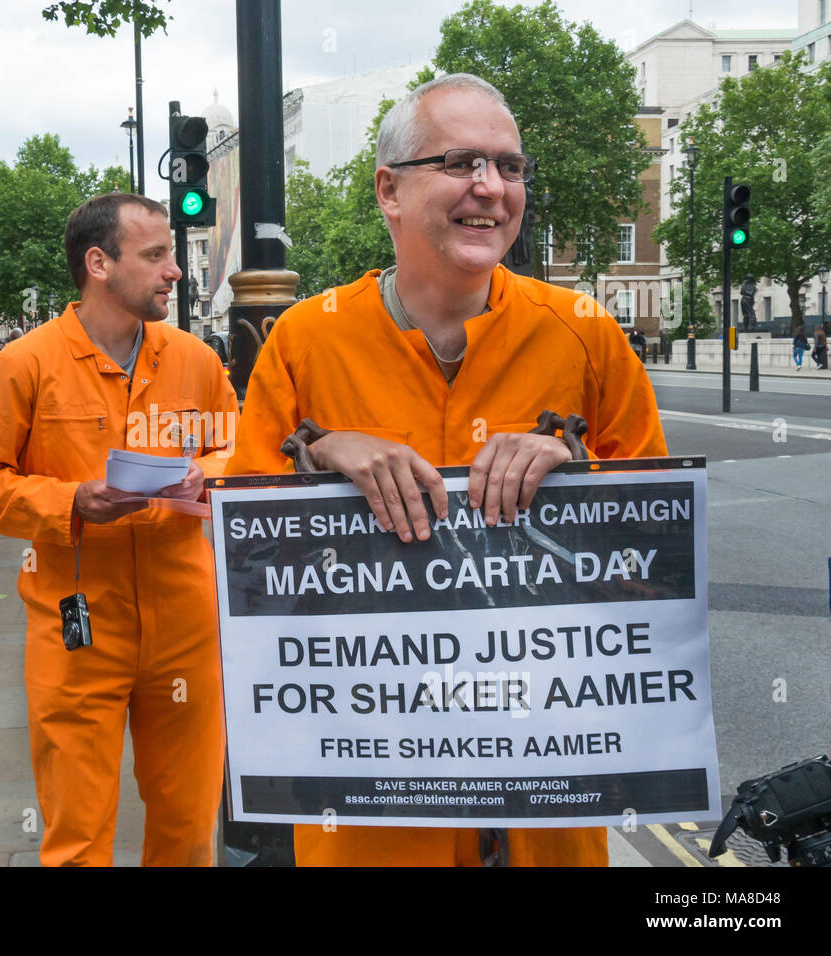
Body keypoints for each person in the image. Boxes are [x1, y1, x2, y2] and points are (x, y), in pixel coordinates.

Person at [224, 73, 666, 867]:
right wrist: (317, 452)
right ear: (389, 190)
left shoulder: (586, 335)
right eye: (462, 162)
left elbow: (660, 557)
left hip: (546, 781)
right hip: (375, 793)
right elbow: (240, 570)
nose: (491, 189)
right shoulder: (303, 341)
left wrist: (577, 462)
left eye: (510, 166)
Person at [0, 192, 238, 866]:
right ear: (99, 263)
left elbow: (239, 443)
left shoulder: (195, 361)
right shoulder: (22, 366)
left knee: (190, 825)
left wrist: (209, 472)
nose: (176, 270)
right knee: (78, 836)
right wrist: (71, 502)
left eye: (172, 254)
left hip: (186, 624)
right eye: (157, 255)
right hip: (76, 627)